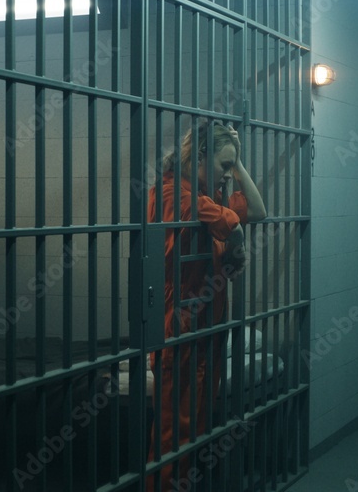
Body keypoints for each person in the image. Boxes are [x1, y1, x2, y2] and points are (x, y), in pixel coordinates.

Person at [146, 120, 266, 490]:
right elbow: (234, 224)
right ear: (200, 156)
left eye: (231, 167)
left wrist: (238, 161)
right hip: (180, 320)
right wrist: (237, 240)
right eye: (224, 166)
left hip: (205, 324)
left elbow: (257, 212)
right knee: (174, 430)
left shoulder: (206, 195)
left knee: (193, 426)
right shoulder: (172, 193)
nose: (228, 175)